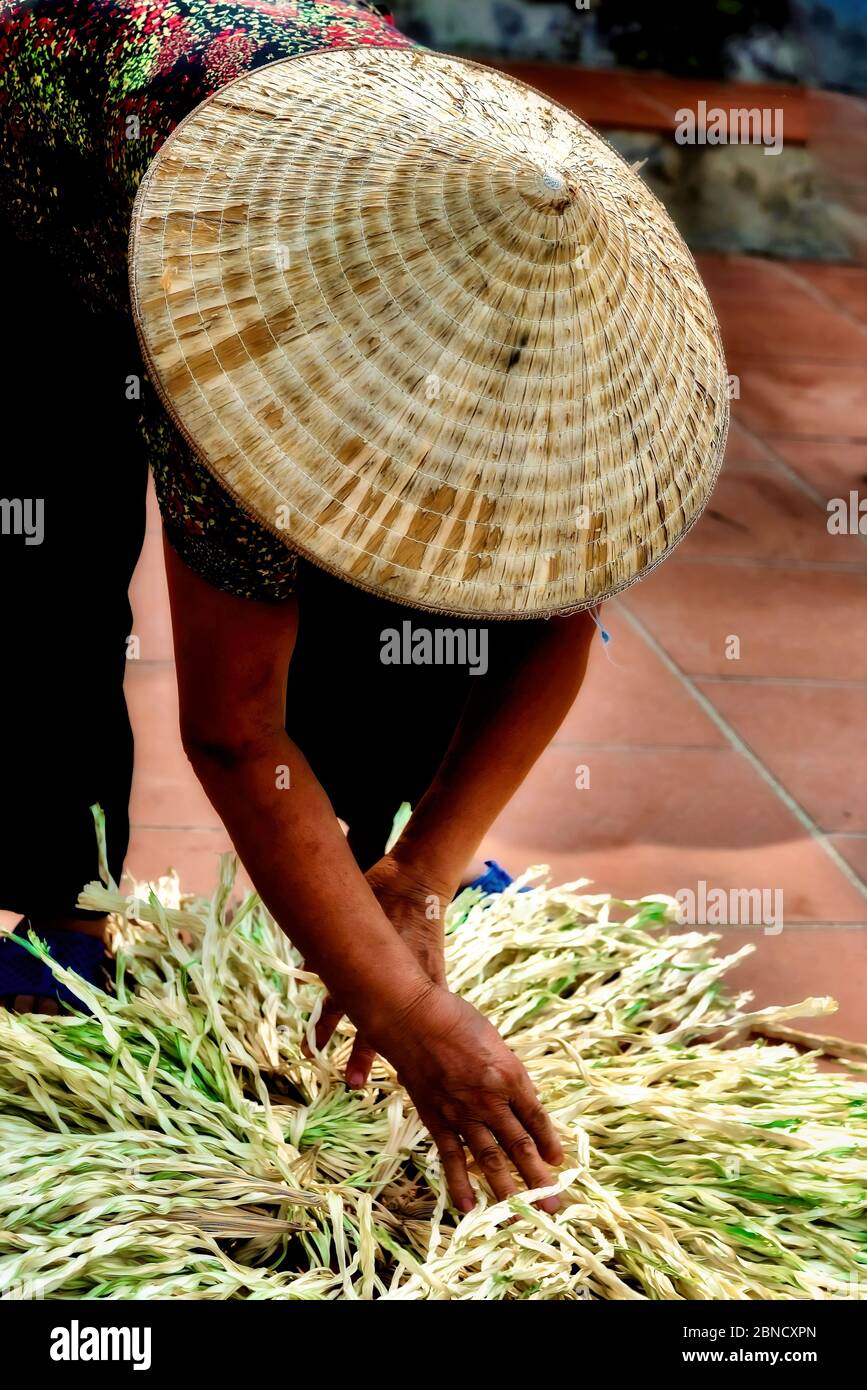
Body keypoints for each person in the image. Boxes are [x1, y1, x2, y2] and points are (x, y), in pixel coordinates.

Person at [0, 0, 728, 1212]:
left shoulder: (583, 346)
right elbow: (235, 727)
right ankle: (55, 906)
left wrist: (429, 867)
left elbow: (555, 621)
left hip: (267, 110)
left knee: (422, 606)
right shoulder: (246, 326)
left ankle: (373, 863)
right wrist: (412, 1018)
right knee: (45, 557)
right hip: (53, 168)